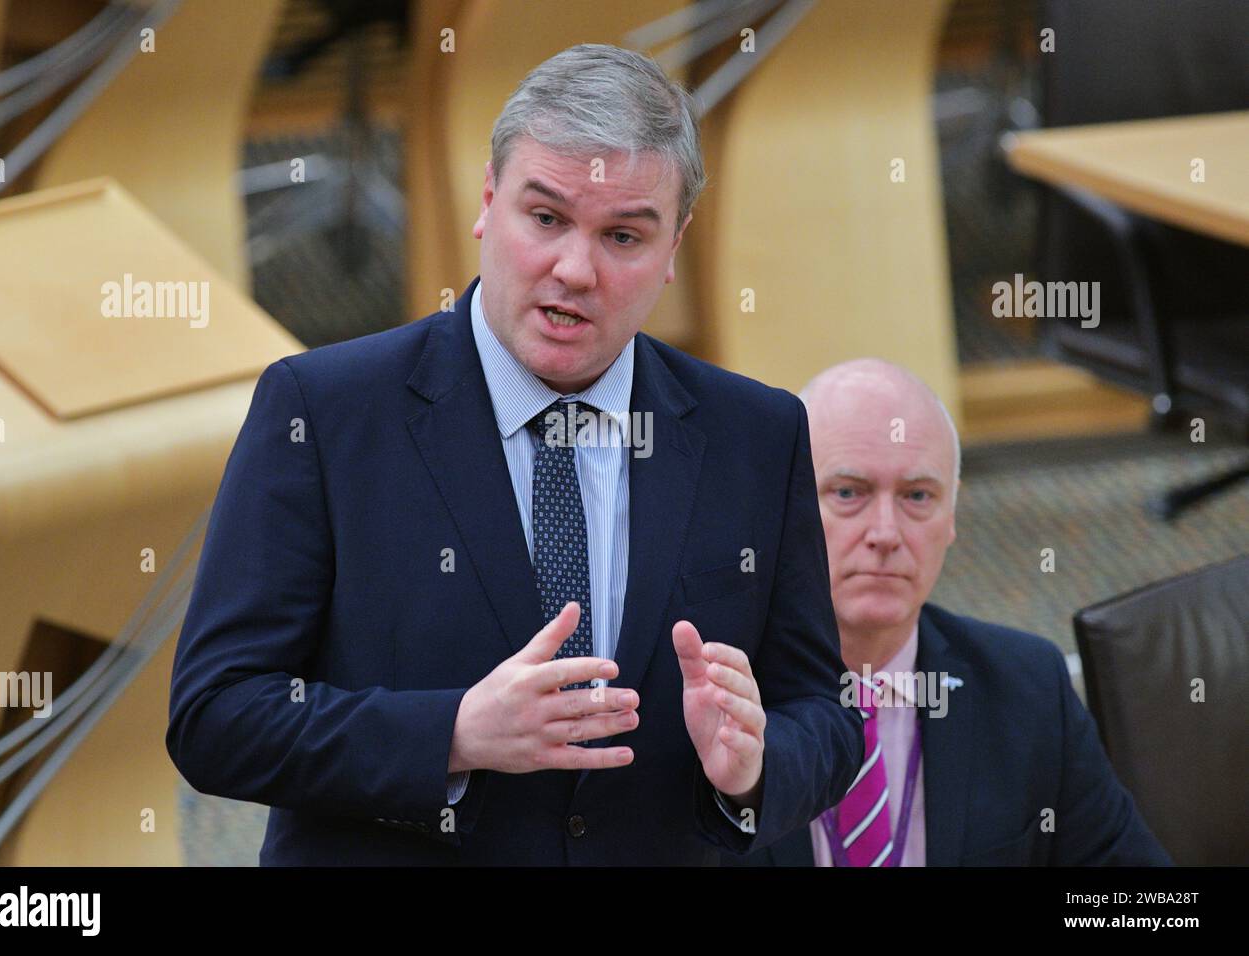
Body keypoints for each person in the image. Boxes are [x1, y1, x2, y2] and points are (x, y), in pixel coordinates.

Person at [166, 44, 860, 865]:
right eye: (546, 218)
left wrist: (754, 765)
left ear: (675, 246)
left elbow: (822, 712)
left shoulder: (757, 434)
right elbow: (216, 717)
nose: (575, 269)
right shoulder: (324, 413)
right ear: (488, 202)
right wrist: (453, 733)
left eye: (624, 236)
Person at [736, 358, 1170, 866]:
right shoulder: (714, 698)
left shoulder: (1027, 687)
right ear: (783, 507)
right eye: (848, 493)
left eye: (917, 496)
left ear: (951, 518)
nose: (886, 533)